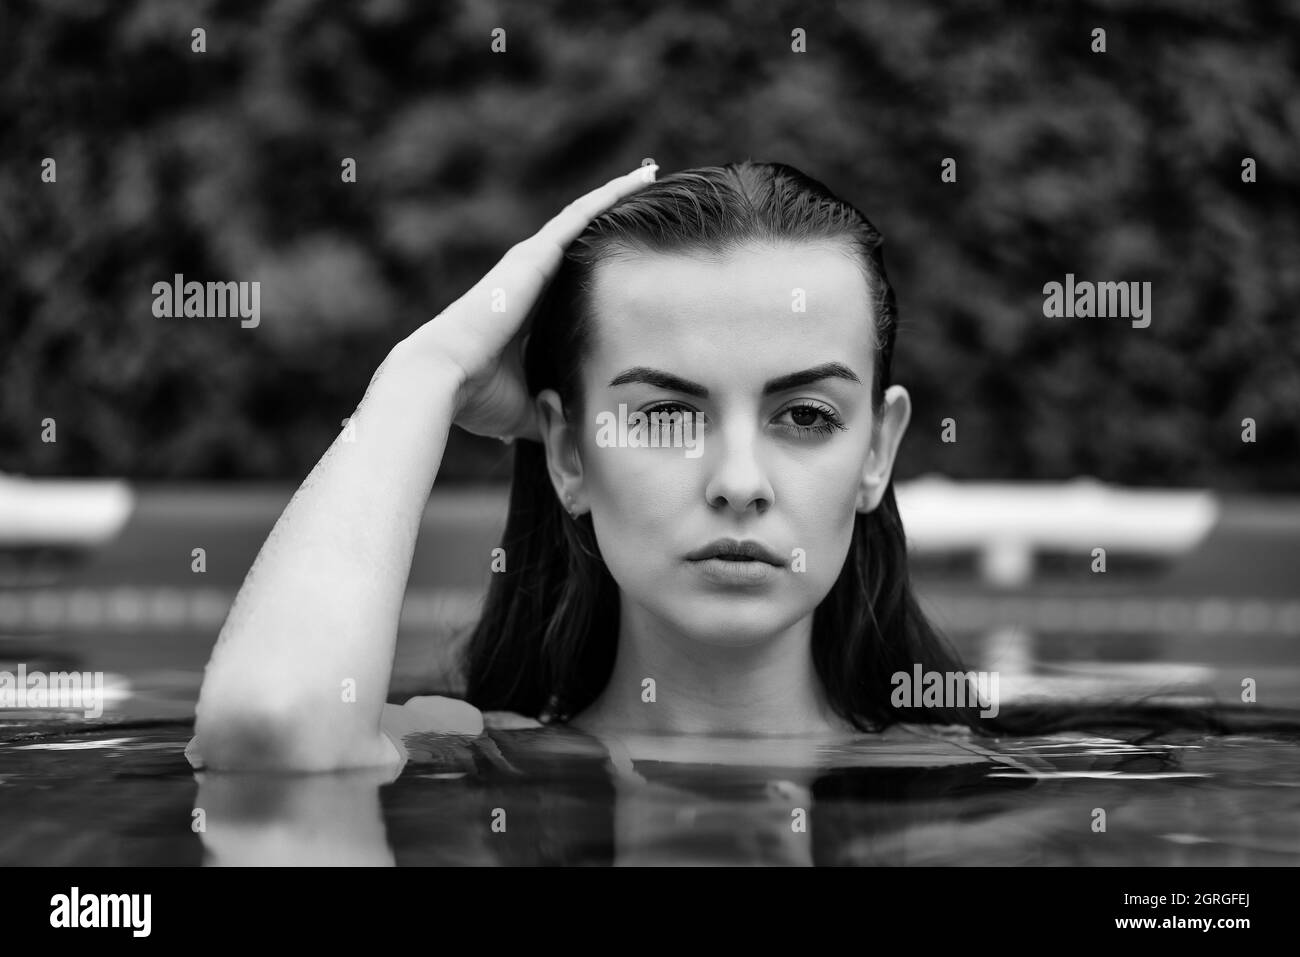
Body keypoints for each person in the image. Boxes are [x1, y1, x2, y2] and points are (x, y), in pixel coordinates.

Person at [186, 160, 1266, 779]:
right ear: (567, 452)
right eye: (665, 416)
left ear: (876, 451)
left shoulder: (1005, 782)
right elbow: (266, 732)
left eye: (804, 413)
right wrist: (421, 375)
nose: (738, 480)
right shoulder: (473, 761)